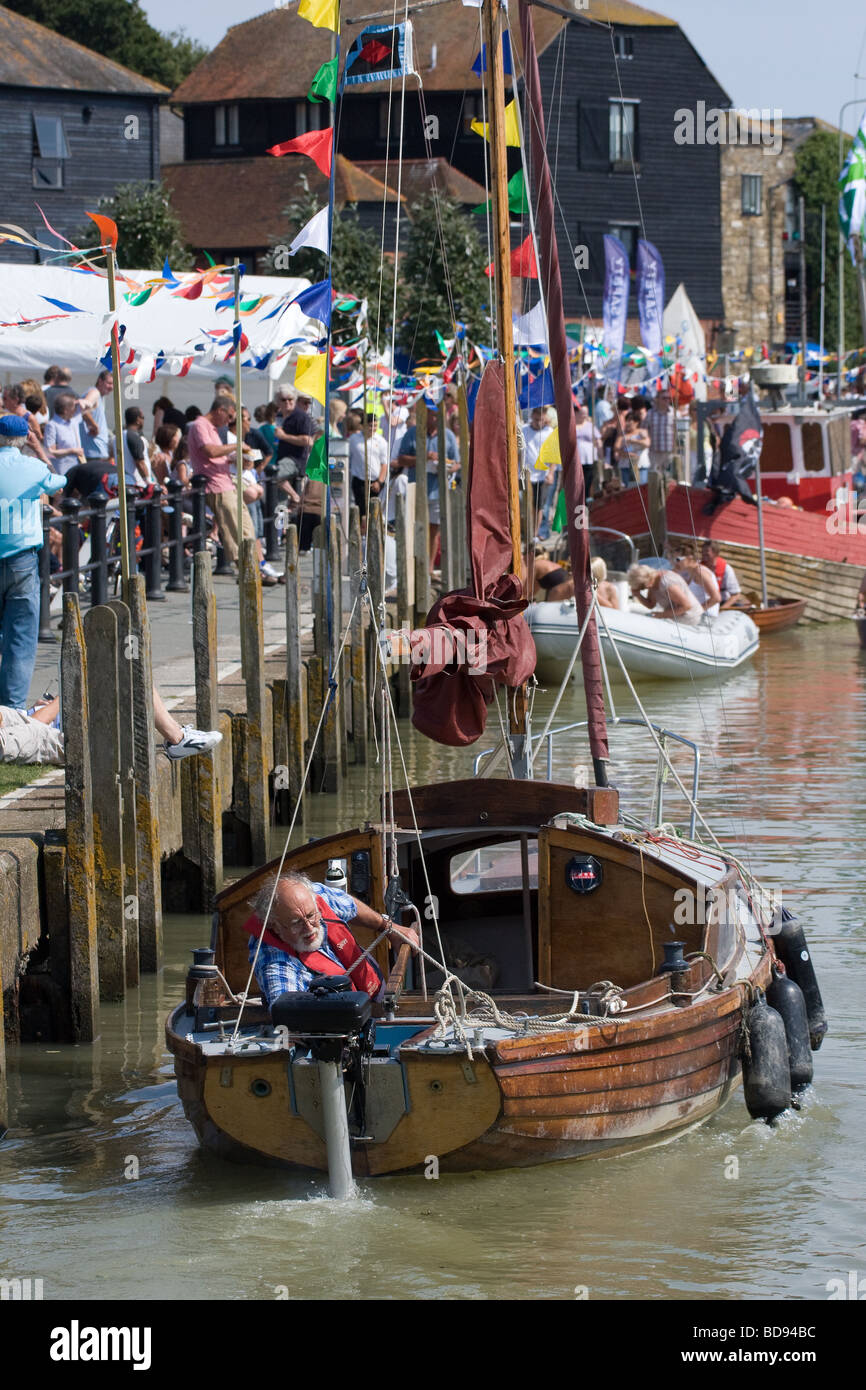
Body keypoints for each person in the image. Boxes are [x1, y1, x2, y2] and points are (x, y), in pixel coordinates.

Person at [244, 868, 418, 1008]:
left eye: (312, 915)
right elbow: (284, 1006)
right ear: (274, 925)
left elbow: (348, 904)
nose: (309, 927)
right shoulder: (273, 957)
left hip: (373, 994)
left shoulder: (313, 896)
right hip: (337, 1019)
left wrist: (388, 927)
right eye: (297, 923)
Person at [0, 415, 66, 706]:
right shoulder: (34, 467)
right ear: (25, 439)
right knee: (20, 638)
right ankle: (11, 709)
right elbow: (59, 483)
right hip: (22, 560)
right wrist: (40, 451)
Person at [0, 686, 222, 766]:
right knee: (127, 673)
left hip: (32, 721)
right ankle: (178, 739)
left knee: (132, 667)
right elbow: (37, 727)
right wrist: (69, 692)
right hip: (46, 731)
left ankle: (178, 737)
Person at [186, 396, 276, 582]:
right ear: (220, 410)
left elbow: (217, 455)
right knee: (233, 531)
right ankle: (246, 572)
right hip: (216, 486)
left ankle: (254, 568)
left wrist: (236, 458)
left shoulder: (213, 429)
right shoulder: (200, 425)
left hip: (227, 482)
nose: (229, 422)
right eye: (229, 417)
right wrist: (235, 447)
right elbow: (210, 451)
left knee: (247, 528)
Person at [628, 562, 702, 625]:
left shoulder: (667, 583)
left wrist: (661, 615)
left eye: (642, 588)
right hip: (675, 617)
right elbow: (651, 604)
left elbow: (686, 606)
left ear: (646, 584)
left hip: (689, 617)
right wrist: (637, 594)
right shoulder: (653, 582)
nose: (644, 589)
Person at [348, 411, 389, 523]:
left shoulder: (381, 442)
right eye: (370, 425)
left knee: (374, 512)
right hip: (359, 480)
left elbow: (384, 463)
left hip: (375, 482)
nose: (373, 428)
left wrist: (379, 482)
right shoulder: (353, 439)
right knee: (360, 511)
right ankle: (361, 535)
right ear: (363, 425)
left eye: (375, 425)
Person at [670, 541, 721, 616]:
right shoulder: (691, 572)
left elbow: (716, 598)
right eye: (674, 559)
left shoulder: (700, 572)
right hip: (699, 615)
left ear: (689, 558)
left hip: (706, 617)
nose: (675, 562)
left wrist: (696, 611)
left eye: (678, 559)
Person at [77, 370, 114, 468]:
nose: (112, 387)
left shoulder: (100, 396)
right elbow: (83, 407)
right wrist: (94, 426)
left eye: (114, 384)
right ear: (100, 381)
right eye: (109, 383)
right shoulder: (95, 392)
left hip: (96, 450)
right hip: (93, 451)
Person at [43, 391, 86, 475]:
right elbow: (50, 452)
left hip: (77, 466)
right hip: (62, 470)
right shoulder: (52, 425)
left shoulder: (73, 421)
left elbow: (92, 406)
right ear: (66, 410)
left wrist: (79, 402)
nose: (75, 409)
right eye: (74, 407)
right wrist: (72, 451)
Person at [700, 539, 744, 610]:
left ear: (715, 553)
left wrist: (722, 609)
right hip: (702, 603)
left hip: (720, 603)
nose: (703, 554)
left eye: (706, 552)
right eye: (702, 552)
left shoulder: (726, 569)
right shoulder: (698, 567)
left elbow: (735, 595)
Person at [648, 389, 676, 476]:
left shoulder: (673, 413)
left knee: (668, 477)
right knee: (654, 476)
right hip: (654, 451)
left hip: (669, 451)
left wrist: (675, 449)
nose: (667, 400)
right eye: (664, 398)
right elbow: (644, 429)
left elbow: (676, 432)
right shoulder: (650, 413)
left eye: (668, 398)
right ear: (658, 399)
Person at [123, 406, 151, 491]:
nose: (143, 420)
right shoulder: (134, 437)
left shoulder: (117, 436)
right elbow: (140, 463)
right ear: (138, 420)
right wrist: (148, 483)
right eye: (143, 418)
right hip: (138, 485)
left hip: (124, 483)